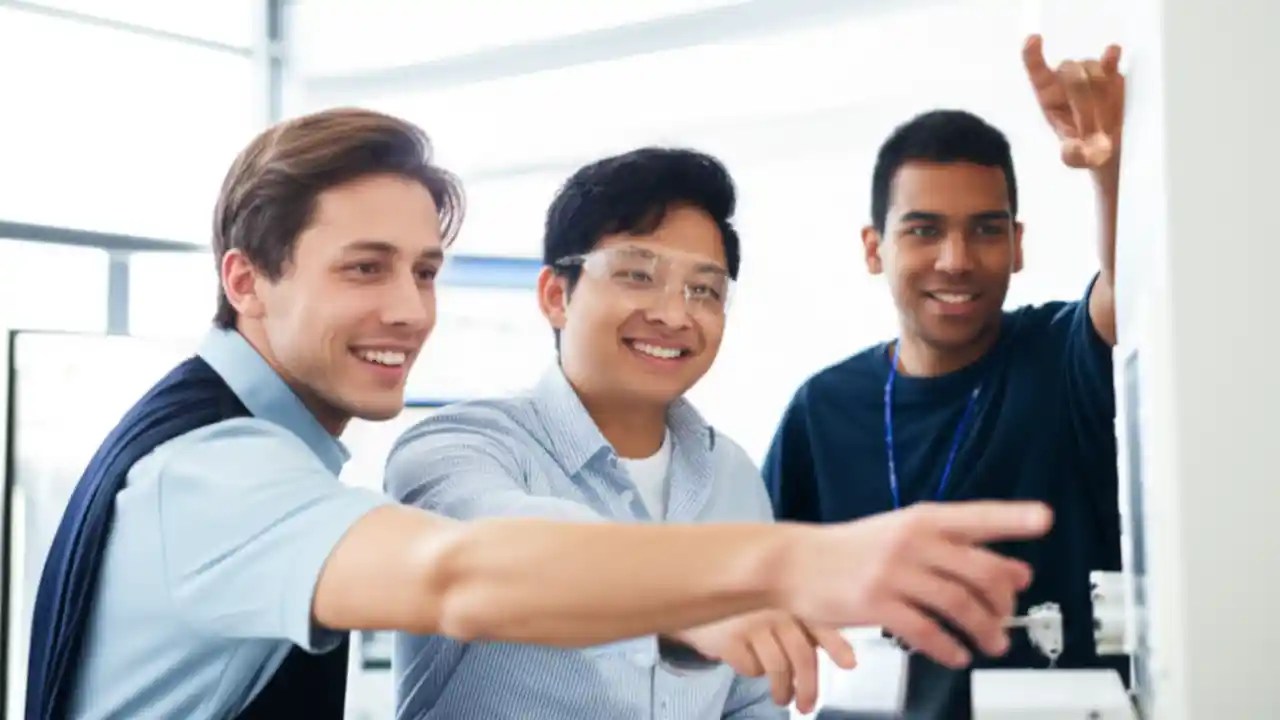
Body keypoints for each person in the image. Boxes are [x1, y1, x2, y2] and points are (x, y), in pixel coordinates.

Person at [26, 108, 1052, 720]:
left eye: (425, 270)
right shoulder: (222, 475)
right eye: (363, 269)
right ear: (245, 280)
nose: (407, 310)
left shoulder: (253, 456)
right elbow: (465, 569)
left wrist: (708, 616)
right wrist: (754, 570)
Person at [383, 147, 857, 719]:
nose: (675, 315)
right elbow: (503, 546)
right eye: (638, 275)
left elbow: (749, 702)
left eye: (704, 290)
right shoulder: (454, 448)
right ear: (556, 296)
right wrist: (678, 592)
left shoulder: (732, 478)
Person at [762, 35, 1126, 677]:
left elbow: (1129, 288)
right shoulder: (823, 409)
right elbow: (759, 586)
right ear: (876, 250)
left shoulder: (1058, 355)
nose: (955, 261)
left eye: (985, 230)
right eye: (924, 230)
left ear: (1017, 245)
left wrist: (1110, 170)